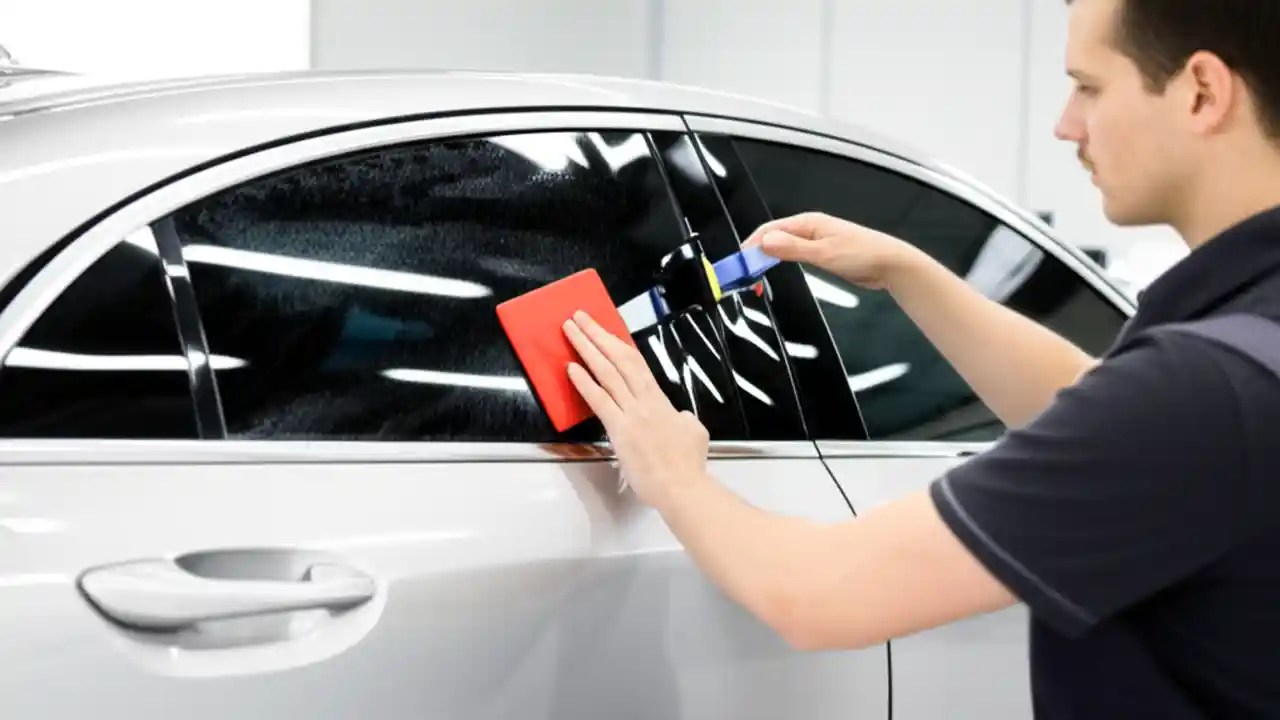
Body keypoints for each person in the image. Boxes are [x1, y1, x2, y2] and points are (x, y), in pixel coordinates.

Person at [560, 0, 1280, 717]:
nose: (1067, 124)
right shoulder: (1244, 352)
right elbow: (1099, 403)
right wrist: (910, 274)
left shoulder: (1201, 391)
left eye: (1089, 85)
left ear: (1202, 92)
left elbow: (816, 595)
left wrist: (674, 477)